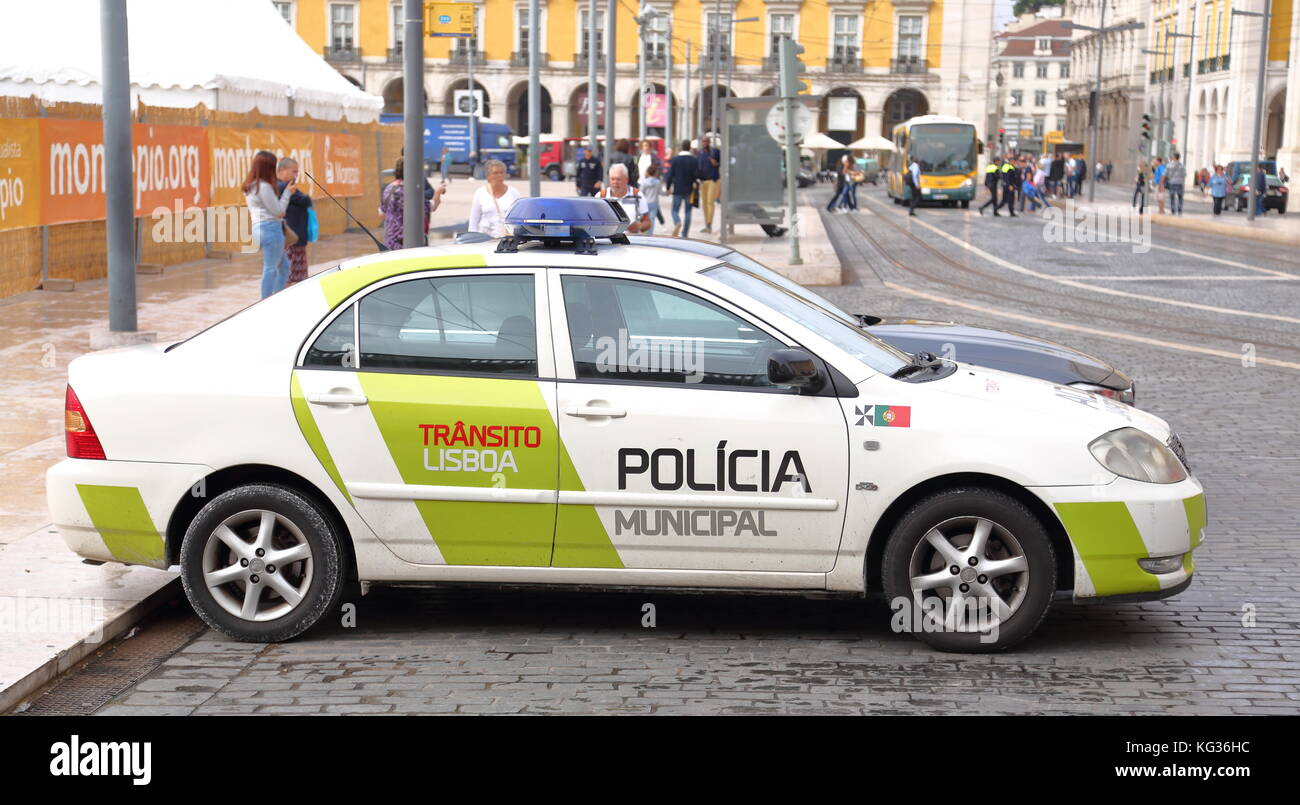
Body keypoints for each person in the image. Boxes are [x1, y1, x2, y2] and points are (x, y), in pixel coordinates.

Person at [242, 149, 294, 298]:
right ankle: (266, 301)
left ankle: (276, 296)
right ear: (268, 167)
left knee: (284, 265)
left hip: (259, 228)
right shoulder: (263, 187)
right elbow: (279, 211)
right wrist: (288, 193)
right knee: (270, 268)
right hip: (271, 229)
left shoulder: (250, 186)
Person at [379, 156, 434, 251]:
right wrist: (438, 193)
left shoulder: (389, 188)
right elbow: (427, 208)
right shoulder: (406, 191)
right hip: (403, 243)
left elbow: (381, 213)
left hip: (390, 240)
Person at [275, 157, 314, 286]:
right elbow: (305, 200)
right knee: (290, 279)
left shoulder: (287, 187)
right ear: (283, 170)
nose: (296, 175)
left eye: (297, 172)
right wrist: (304, 197)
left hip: (296, 239)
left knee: (298, 279)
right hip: (290, 240)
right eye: (294, 172)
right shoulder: (281, 187)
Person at [468, 158, 521, 238]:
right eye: (495, 173)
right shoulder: (480, 193)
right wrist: (471, 239)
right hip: (484, 240)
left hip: (506, 239)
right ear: (488, 176)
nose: (500, 175)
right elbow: (474, 220)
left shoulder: (513, 192)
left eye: (502, 172)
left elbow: (519, 218)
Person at [597, 163, 651, 232]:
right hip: (607, 241)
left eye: (618, 179)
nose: (615, 182)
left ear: (626, 180)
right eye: (612, 179)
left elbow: (647, 222)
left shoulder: (637, 195)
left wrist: (639, 226)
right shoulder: (600, 196)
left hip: (632, 241)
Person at [665, 139, 699, 236]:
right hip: (689, 190)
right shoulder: (694, 160)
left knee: (674, 210)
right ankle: (685, 234)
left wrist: (668, 187)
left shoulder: (675, 159)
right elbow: (696, 175)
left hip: (677, 189)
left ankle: (677, 222)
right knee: (688, 212)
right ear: (689, 148)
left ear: (681, 147)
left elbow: (670, 175)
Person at [696, 135, 720, 232]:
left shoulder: (715, 151)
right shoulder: (700, 153)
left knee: (710, 202)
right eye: (703, 141)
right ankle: (707, 225)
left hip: (712, 180)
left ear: (709, 142)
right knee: (705, 204)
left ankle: (709, 224)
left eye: (706, 141)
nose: (705, 143)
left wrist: (716, 164)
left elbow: (722, 162)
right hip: (703, 181)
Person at [639, 163, 663, 234]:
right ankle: (650, 233)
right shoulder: (658, 182)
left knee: (644, 218)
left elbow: (640, 193)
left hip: (645, 202)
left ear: (648, 172)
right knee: (652, 219)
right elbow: (660, 192)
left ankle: (643, 231)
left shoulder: (643, 182)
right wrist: (667, 193)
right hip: (654, 203)